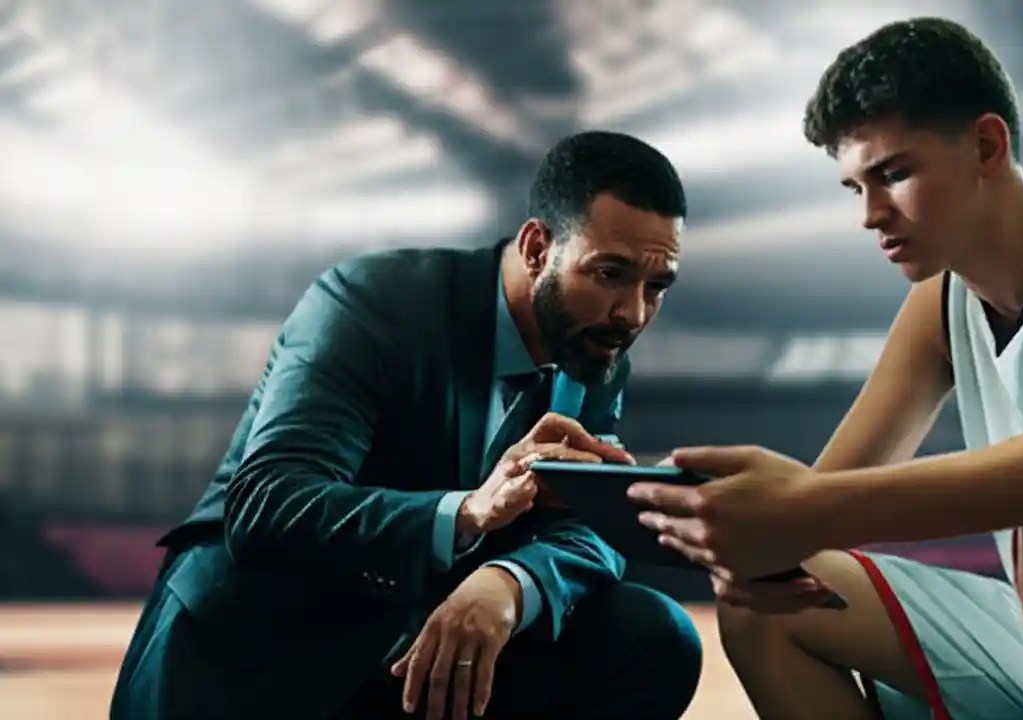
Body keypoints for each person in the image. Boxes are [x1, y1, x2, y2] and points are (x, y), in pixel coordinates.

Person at [628, 17, 1023, 720]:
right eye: (856, 189)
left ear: (986, 145)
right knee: (770, 600)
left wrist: (812, 505)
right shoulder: (938, 303)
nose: (872, 216)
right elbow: (819, 505)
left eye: (895, 174)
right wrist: (698, 514)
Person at [111, 131, 702, 720]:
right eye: (609, 274)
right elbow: (268, 504)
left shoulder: (593, 347)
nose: (634, 313)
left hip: (412, 659)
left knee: (652, 635)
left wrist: (510, 582)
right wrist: (466, 512)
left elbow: (587, 524)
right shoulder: (372, 303)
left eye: (657, 286)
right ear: (536, 248)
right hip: (255, 663)